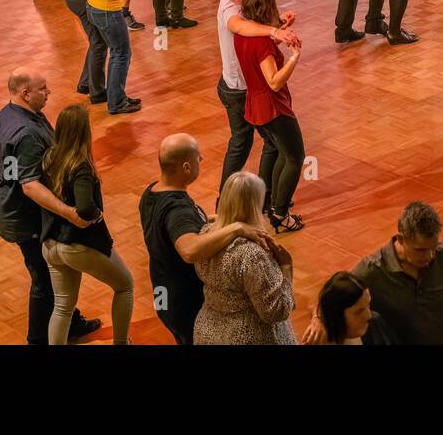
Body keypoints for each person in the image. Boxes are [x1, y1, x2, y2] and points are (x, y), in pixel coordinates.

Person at [0, 66, 101, 345]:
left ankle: (70, 321)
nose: (48, 92)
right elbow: (30, 186)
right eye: (42, 88)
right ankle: (37, 339)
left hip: (20, 212)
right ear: (25, 93)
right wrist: (70, 214)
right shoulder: (24, 132)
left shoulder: (11, 112)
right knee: (44, 279)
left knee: (56, 273)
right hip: (26, 220)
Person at [139, 133, 278, 345]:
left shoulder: (152, 191)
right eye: (197, 157)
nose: (202, 159)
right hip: (184, 301)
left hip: (162, 293)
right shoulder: (177, 210)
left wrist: (219, 219)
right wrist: (236, 227)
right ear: (186, 167)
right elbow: (190, 250)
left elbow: (183, 225)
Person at [302, 202, 443, 346]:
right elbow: (334, 295)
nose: (430, 256)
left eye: (434, 248)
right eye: (421, 250)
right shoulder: (372, 269)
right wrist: (318, 320)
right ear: (401, 239)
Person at [41, 103, 135, 345]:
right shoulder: (80, 166)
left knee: (62, 306)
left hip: (50, 244)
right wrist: (96, 216)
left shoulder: (49, 157)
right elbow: (84, 207)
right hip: (77, 245)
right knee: (125, 286)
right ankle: (121, 343)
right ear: (84, 133)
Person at [216, 0, 295, 195]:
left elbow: (255, 35)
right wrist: (274, 31)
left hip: (239, 86)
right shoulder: (228, 7)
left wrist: (279, 21)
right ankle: (250, 198)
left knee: (248, 143)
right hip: (240, 90)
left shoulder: (242, 5)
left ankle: (258, 196)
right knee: (249, 144)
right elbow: (240, 26)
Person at [193, 171, 296, 345]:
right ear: (254, 205)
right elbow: (275, 311)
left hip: (209, 332)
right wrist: (286, 266)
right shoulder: (252, 254)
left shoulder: (205, 235)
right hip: (248, 336)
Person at [234, 0, 305, 230]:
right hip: (273, 108)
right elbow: (274, 82)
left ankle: (270, 203)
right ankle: (281, 214)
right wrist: (294, 56)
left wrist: (280, 32)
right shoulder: (262, 43)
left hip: (255, 105)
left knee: (277, 151)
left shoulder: (242, 34)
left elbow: (259, 47)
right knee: (295, 158)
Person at [312, 272, 399, 345]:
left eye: (368, 305)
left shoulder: (375, 323)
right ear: (336, 315)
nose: (369, 316)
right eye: (359, 311)